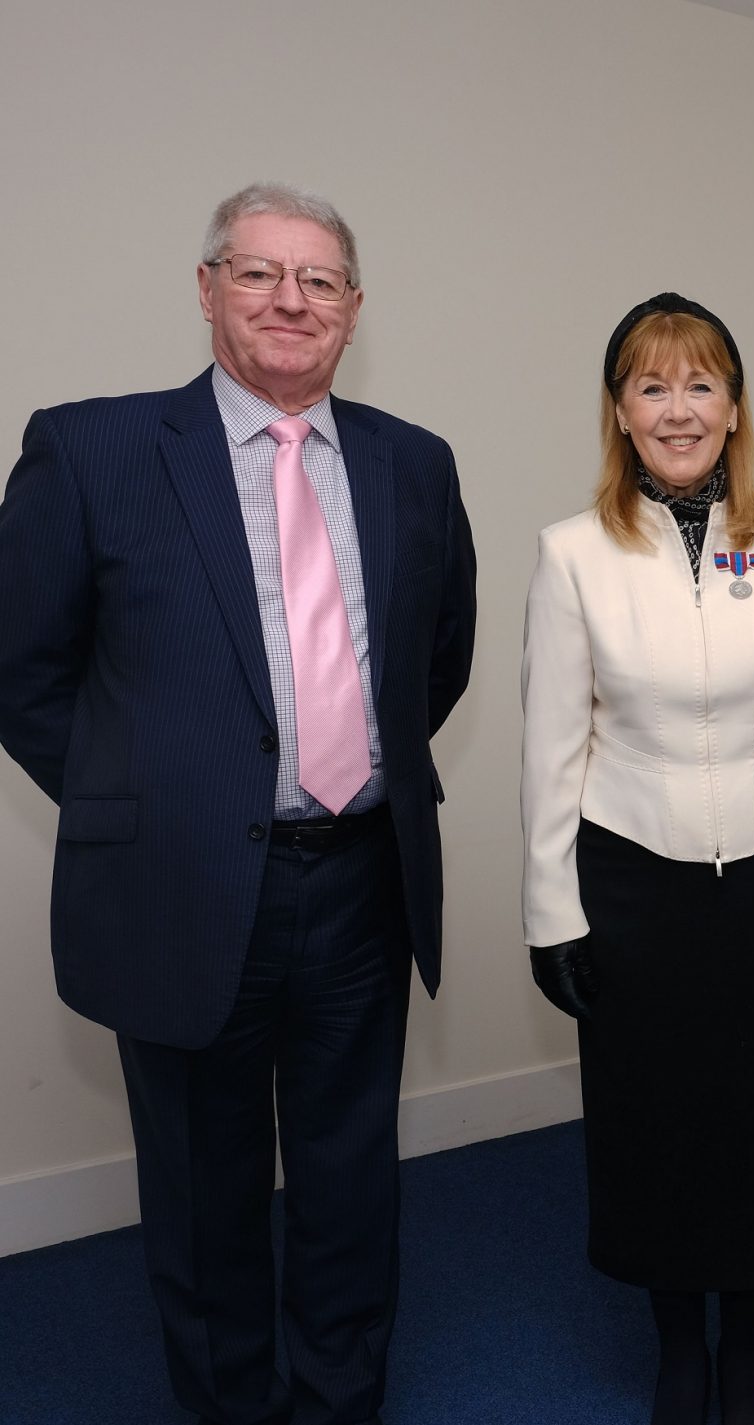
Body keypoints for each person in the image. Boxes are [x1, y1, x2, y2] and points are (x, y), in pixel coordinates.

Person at [0, 183, 477, 1425]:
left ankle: (337, 1404)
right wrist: (147, 804)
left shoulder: (414, 464)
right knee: (207, 1201)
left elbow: (437, 658)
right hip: (181, 889)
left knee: (347, 1185)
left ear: (354, 312)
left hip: (362, 883)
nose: (288, 301)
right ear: (206, 287)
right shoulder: (93, 449)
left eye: (318, 282)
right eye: (258, 272)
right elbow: (23, 670)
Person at [521, 292, 754, 1425]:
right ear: (619, 412)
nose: (678, 409)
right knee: (653, 1118)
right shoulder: (572, 553)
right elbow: (551, 745)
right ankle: (679, 1343)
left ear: (734, 406)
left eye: (700, 385)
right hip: (631, 874)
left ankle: (752, 1342)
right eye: (652, 387)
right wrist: (551, 912)